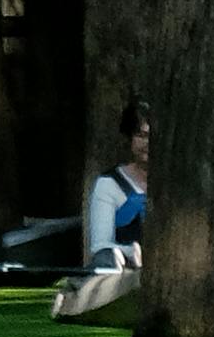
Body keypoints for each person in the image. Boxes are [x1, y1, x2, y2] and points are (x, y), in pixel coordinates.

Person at [57, 107, 148, 318]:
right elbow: (100, 246)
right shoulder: (109, 185)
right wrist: (130, 253)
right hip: (121, 268)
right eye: (141, 136)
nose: (147, 143)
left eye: (152, 136)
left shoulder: (176, 186)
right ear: (130, 139)